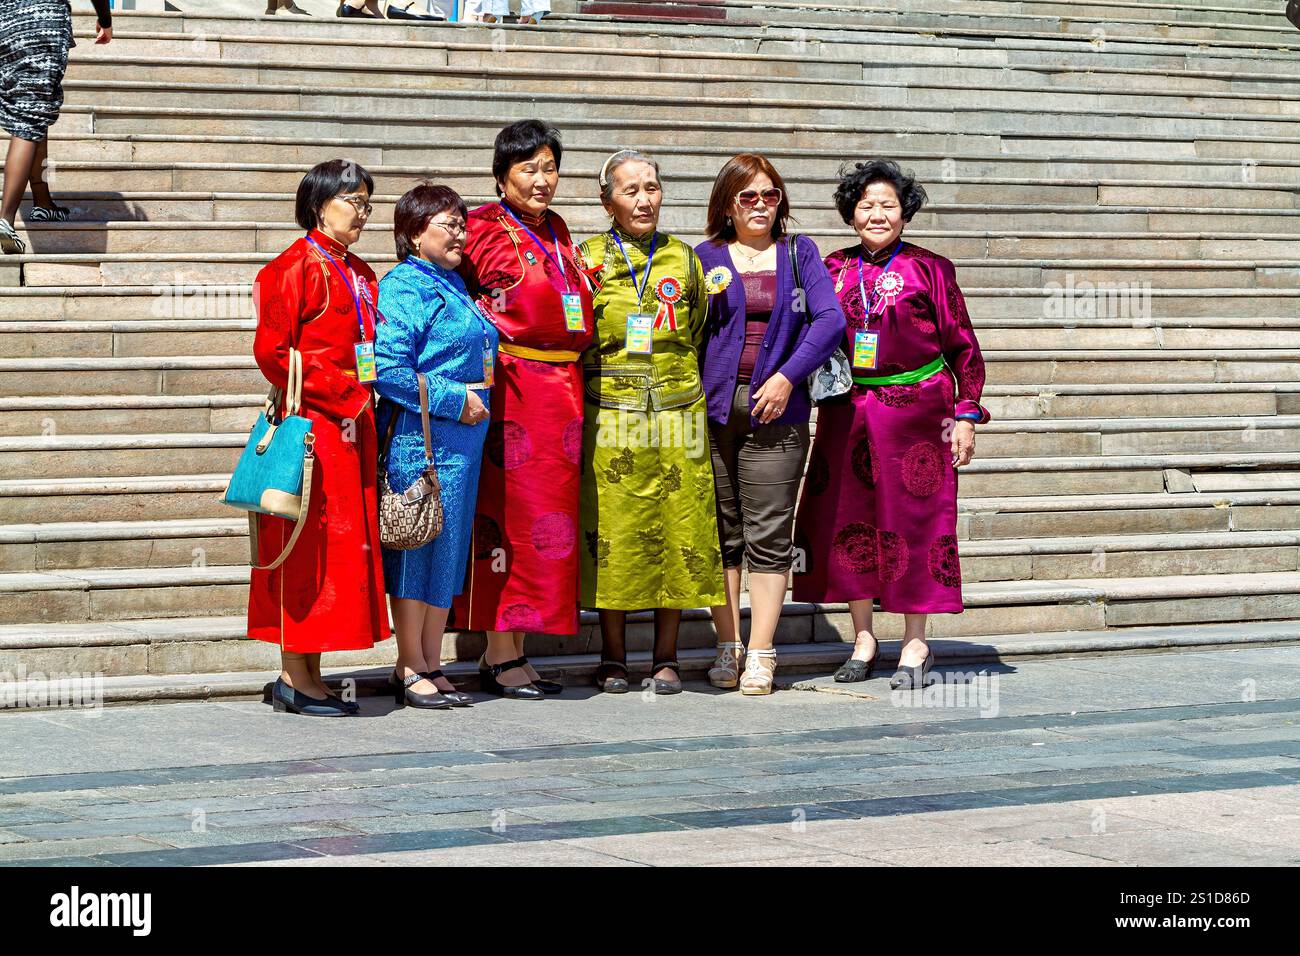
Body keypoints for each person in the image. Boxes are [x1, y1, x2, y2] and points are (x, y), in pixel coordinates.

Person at [791, 159, 990, 689]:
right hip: (847, 411)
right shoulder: (831, 268)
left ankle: (916, 641)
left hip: (918, 415)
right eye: (866, 205)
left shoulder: (932, 269)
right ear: (851, 213)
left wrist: (966, 416)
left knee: (915, 525)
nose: (877, 214)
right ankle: (862, 637)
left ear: (905, 213)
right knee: (847, 523)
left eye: (888, 206)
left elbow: (963, 347)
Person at [451, 120, 595, 699]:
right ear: (501, 176)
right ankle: (498, 650)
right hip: (512, 389)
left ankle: (519, 645)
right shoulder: (482, 228)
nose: (542, 180)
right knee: (508, 517)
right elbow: (454, 294)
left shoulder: (556, 228)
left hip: (561, 392)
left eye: (550, 167)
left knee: (546, 527)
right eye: (528, 169)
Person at [695, 154, 845, 696]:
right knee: (721, 533)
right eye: (748, 197)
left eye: (771, 195)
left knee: (768, 532)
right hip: (713, 411)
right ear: (727, 204)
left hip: (778, 410)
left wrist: (786, 378)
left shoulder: (799, 253)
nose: (761, 206)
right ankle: (727, 644)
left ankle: (761, 651)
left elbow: (830, 318)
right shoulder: (703, 256)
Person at [576, 150, 724, 695]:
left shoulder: (685, 259)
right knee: (616, 532)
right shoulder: (585, 257)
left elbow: (701, 330)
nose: (644, 199)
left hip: (678, 412)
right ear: (606, 201)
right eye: (631, 190)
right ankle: (614, 655)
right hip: (611, 413)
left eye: (652, 188)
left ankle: (667, 656)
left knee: (680, 527)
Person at [248, 159, 390, 716]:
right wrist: (344, 392)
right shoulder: (291, 267)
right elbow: (273, 352)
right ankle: (293, 674)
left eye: (367, 204)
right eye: (353, 201)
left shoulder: (358, 270)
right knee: (305, 547)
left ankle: (313, 672)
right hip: (313, 429)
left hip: (353, 428)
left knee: (336, 553)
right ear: (318, 203)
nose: (362, 213)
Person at [376, 183, 495, 710]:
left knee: (446, 549)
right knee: (418, 546)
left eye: (462, 223)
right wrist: (454, 399)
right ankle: (408, 664)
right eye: (447, 224)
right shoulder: (405, 286)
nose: (460, 233)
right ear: (412, 232)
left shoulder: (451, 282)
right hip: (421, 440)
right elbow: (387, 370)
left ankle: (431, 659)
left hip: (463, 445)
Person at [0, 0, 111, 255]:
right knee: (30, 118)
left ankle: (43, 202)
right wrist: (105, 20)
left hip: (5, 21)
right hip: (42, 20)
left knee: (36, 108)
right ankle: (5, 219)